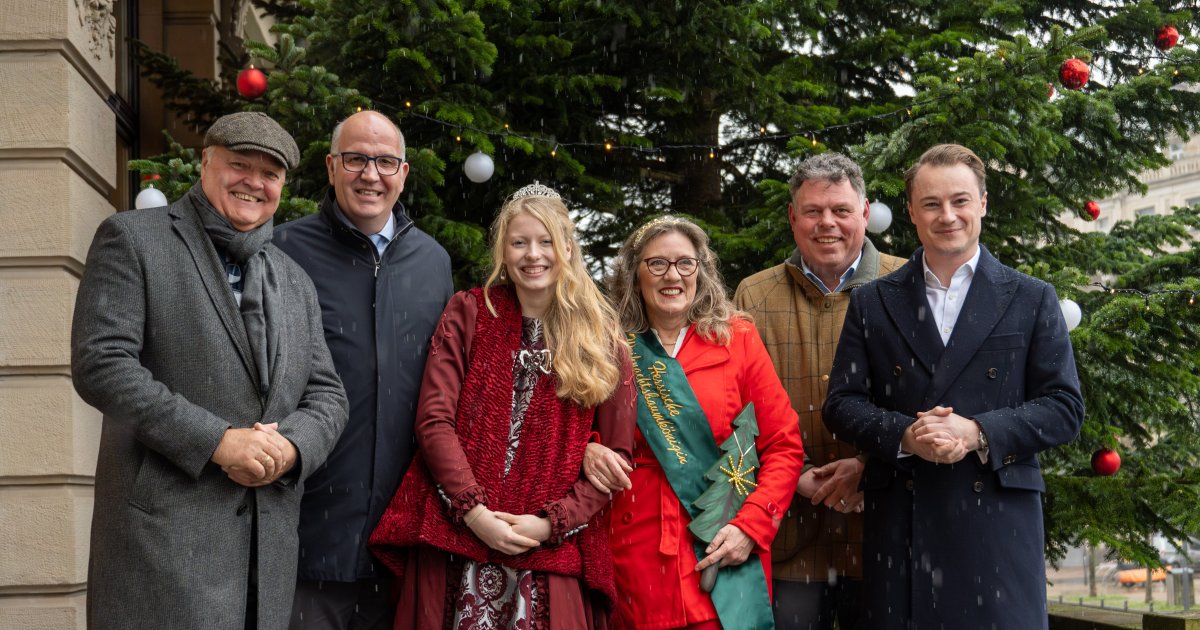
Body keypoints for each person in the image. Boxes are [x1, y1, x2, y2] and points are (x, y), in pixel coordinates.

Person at [71, 111, 349, 629]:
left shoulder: (294, 280)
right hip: (161, 546)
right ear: (206, 163)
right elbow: (102, 364)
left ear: (283, 185)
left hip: (265, 555)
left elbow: (327, 394)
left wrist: (290, 447)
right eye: (239, 164)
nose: (254, 182)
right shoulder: (133, 239)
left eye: (270, 174)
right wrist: (219, 441)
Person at [823, 143, 1085, 630]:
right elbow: (841, 404)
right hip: (903, 525)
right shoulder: (873, 302)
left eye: (960, 201)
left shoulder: (1031, 297)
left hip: (999, 531)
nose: (947, 216)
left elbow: (1065, 407)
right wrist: (906, 435)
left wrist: (976, 432)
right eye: (931, 203)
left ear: (982, 203)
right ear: (911, 212)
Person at [368, 183, 636, 629]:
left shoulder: (603, 338)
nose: (533, 254)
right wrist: (474, 512)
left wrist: (550, 525)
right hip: (457, 531)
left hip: (550, 549)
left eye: (546, 241)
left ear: (567, 247)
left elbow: (618, 458)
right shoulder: (470, 312)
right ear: (503, 252)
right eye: (519, 242)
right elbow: (434, 421)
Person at [274, 110, 453, 629]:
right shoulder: (285, 251)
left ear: (403, 173)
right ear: (331, 167)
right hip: (309, 533)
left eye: (384, 161)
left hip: (404, 538)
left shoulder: (433, 262)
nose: (370, 174)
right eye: (355, 159)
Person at [595, 215, 805, 629]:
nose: (672, 275)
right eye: (656, 264)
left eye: (684, 263)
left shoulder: (737, 339)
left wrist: (752, 525)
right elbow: (574, 430)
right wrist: (588, 448)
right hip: (635, 553)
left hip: (723, 547)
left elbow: (783, 445)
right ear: (635, 276)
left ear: (701, 272)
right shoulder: (608, 347)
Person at [734, 152, 905, 630]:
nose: (826, 223)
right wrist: (799, 476)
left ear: (865, 214)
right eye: (812, 211)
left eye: (841, 211)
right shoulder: (754, 296)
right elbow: (736, 410)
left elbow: (928, 398)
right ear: (793, 218)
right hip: (791, 536)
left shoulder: (907, 284)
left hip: (884, 532)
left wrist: (870, 469)